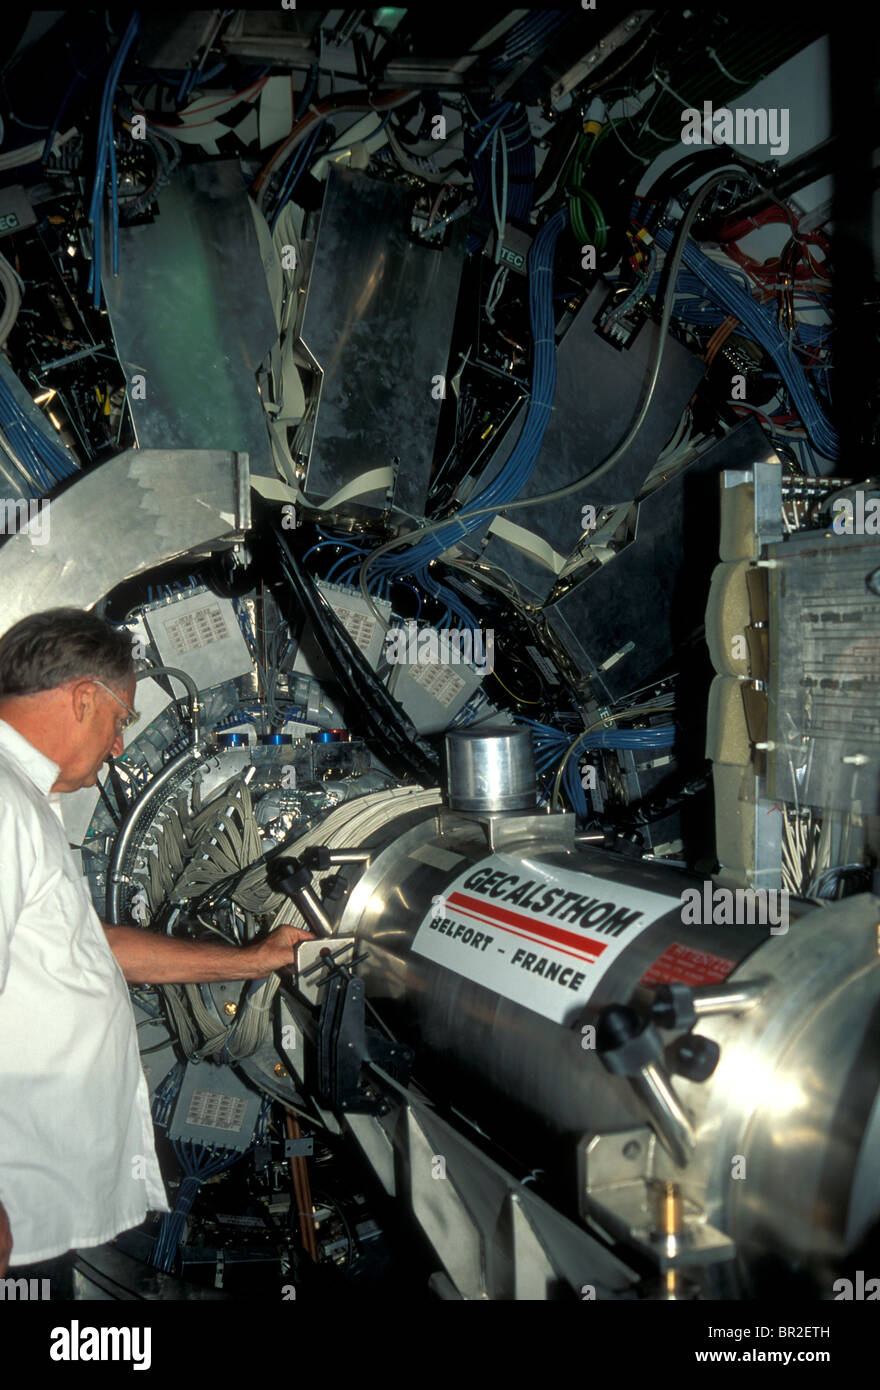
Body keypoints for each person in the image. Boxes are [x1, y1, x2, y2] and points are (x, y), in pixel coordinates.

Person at [0, 607, 312, 1294]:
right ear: (84, 697)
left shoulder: (24, 799)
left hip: (34, 1203)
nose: (118, 746)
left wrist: (253, 960)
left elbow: (96, 948)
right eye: (119, 720)